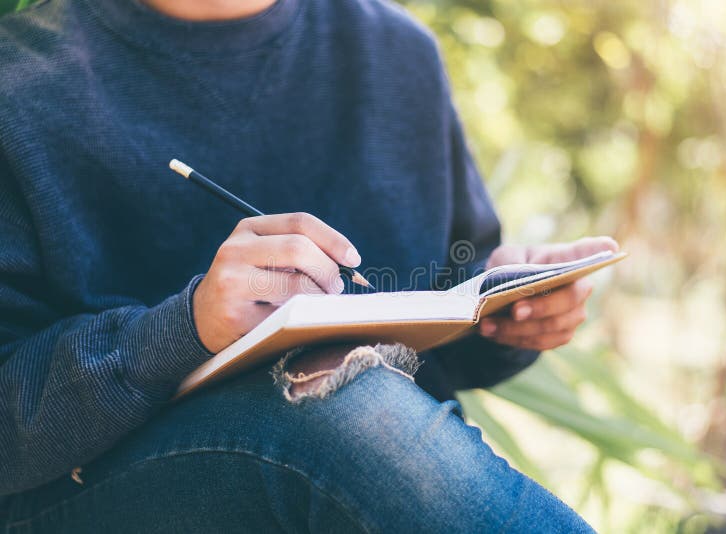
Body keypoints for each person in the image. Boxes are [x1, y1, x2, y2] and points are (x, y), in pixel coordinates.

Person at [0, 0, 618, 531]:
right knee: (337, 400)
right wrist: (184, 330)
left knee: (361, 404)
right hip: (97, 492)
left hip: (374, 485)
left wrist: (506, 316)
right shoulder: (20, 83)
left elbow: (439, 337)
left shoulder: (396, 53)